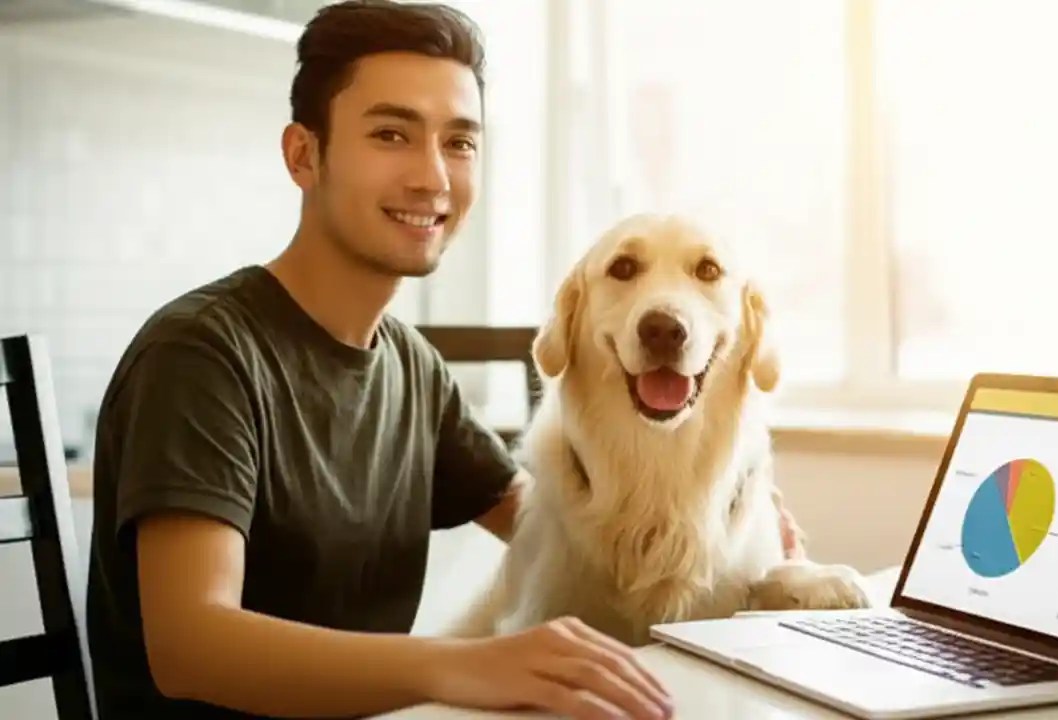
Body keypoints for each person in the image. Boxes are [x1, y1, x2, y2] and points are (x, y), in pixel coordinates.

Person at [85, 2, 806, 719]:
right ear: (304, 154)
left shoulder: (408, 365)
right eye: (392, 134)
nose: (432, 177)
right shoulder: (202, 353)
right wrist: (457, 666)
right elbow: (190, 648)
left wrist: (729, 525)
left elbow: (547, 514)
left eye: (459, 142)